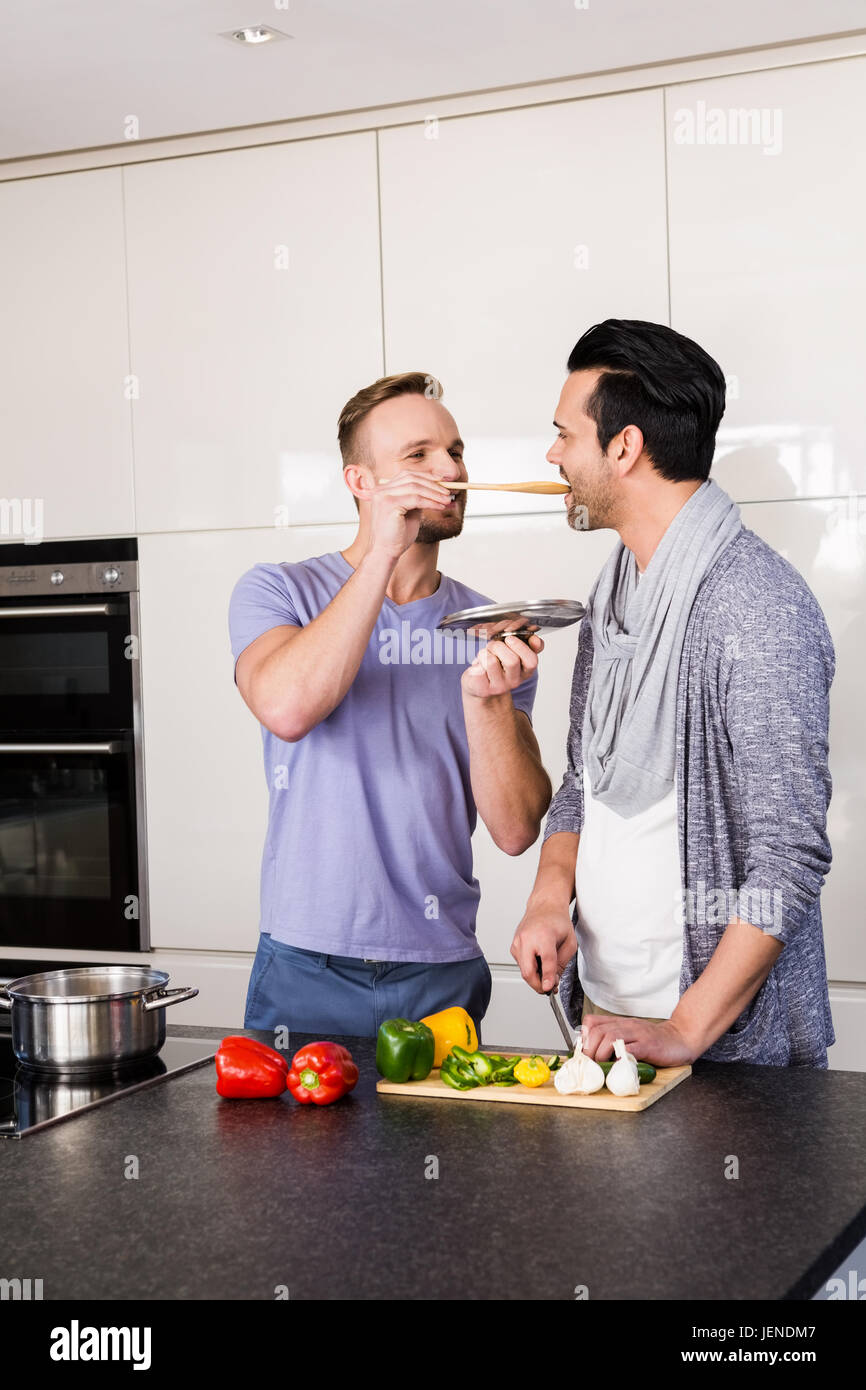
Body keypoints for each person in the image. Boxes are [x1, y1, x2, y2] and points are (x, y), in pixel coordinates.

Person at [510, 320, 835, 1067]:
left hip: (716, 1051)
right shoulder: (615, 593)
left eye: (564, 435)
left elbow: (789, 858)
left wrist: (686, 1029)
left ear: (623, 447)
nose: (552, 456)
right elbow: (582, 786)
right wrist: (547, 897)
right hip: (607, 1024)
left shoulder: (755, 607)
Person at [229, 371, 551, 1038]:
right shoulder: (277, 592)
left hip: (441, 971)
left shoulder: (492, 628)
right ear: (360, 483)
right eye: (419, 455)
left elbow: (517, 829)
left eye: (456, 451)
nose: (451, 469)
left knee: (438, 1148)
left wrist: (489, 703)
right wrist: (381, 553)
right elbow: (288, 708)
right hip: (304, 968)